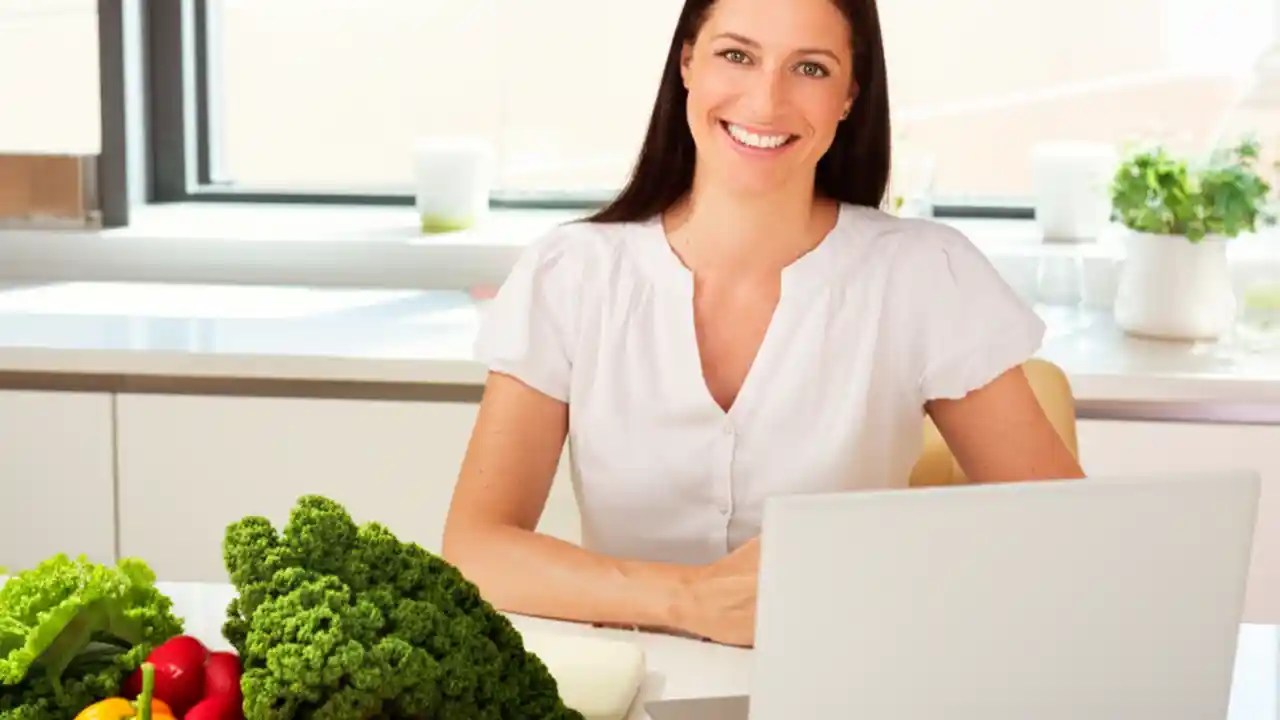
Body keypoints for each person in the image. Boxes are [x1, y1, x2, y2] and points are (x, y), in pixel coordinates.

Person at [442, 0, 1085, 648]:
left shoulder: (923, 275)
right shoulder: (572, 273)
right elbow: (476, 548)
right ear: (687, 61)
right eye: (737, 55)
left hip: (846, 682)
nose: (766, 99)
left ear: (849, 95)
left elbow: (1075, 543)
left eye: (810, 67)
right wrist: (689, 600)